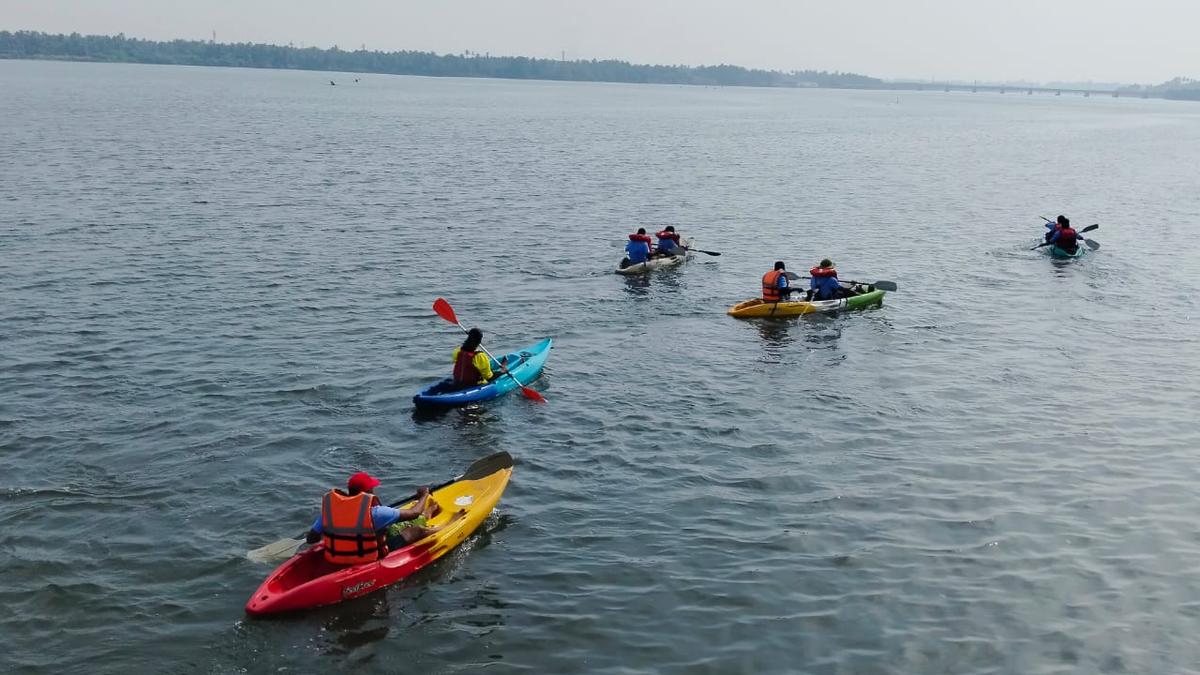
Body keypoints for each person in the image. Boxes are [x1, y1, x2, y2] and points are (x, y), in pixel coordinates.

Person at [305, 472, 463, 565]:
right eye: (372, 488)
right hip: (369, 555)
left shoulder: (330, 511)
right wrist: (424, 495)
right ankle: (450, 523)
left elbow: (311, 539)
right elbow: (413, 512)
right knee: (415, 529)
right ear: (368, 491)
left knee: (398, 525)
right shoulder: (376, 513)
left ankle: (428, 512)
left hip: (338, 555)